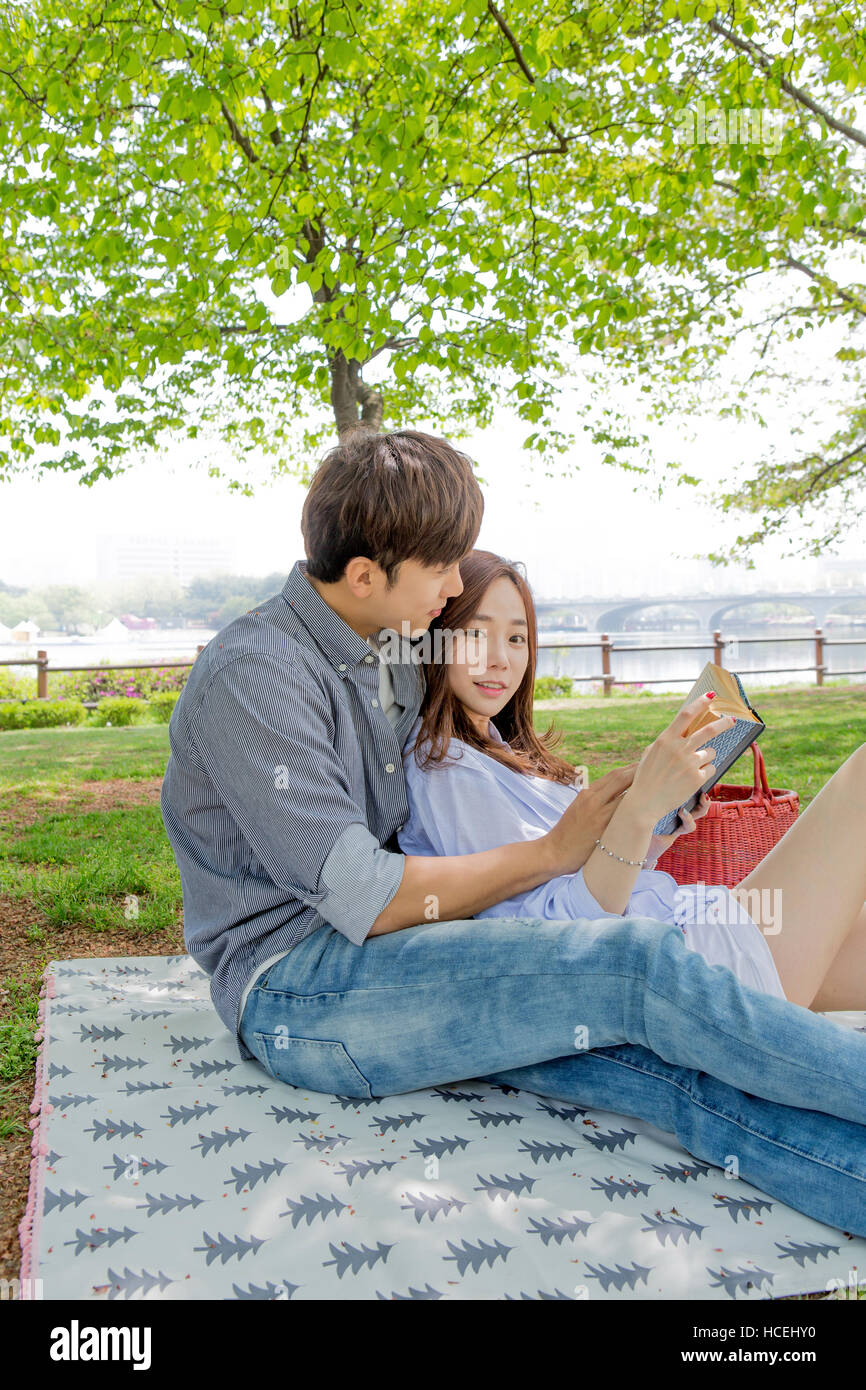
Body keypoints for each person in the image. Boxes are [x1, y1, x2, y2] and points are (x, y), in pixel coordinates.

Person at [160, 427, 866, 1238]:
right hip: (301, 984)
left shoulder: (372, 652)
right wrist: (553, 850)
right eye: (440, 567)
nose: (455, 583)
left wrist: (628, 815)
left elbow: (463, 733)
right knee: (632, 965)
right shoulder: (259, 675)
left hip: (381, 958)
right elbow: (363, 891)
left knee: (665, 1070)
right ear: (362, 576)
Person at [398, 547, 866, 1013]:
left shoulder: (496, 752)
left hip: (689, 927)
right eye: (477, 634)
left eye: (517, 639)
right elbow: (561, 937)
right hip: (694, 968)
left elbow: (594, 877)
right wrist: (639, 809)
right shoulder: (446, 769)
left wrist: (658, 819)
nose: (500, 659)